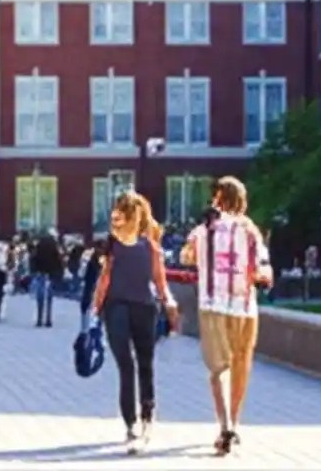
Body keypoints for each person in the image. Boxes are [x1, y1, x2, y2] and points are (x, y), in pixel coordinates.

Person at [180, 176, 274, 456]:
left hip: (213, 306)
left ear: (218, 199)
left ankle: (225, 425)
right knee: (241, 364)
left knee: (219, 369)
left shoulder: (203, 229)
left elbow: (186, 257)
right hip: (245, 309)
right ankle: (235, 421)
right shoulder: (251, 230)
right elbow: (263, 270)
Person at [92, 192, 179, 456]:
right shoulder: (111, 245)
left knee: (144, 363)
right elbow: (104, 278)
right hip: (115, 307)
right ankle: (130, 423)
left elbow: (160, 280)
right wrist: (95, 309)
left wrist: (169, 302)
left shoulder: (150, 247)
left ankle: (147, 415)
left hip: (144, 308)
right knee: (125, 365)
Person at [30, 231, 64, 327]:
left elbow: (33, 259)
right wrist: (59, 273)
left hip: (40, 273)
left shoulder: (39, 247)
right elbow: (58, 261)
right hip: (51, 273)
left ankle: (39, 319)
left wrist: (33, 271)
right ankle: (48, 319)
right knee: (49, 297)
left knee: (40, 297)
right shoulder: (54, 248)